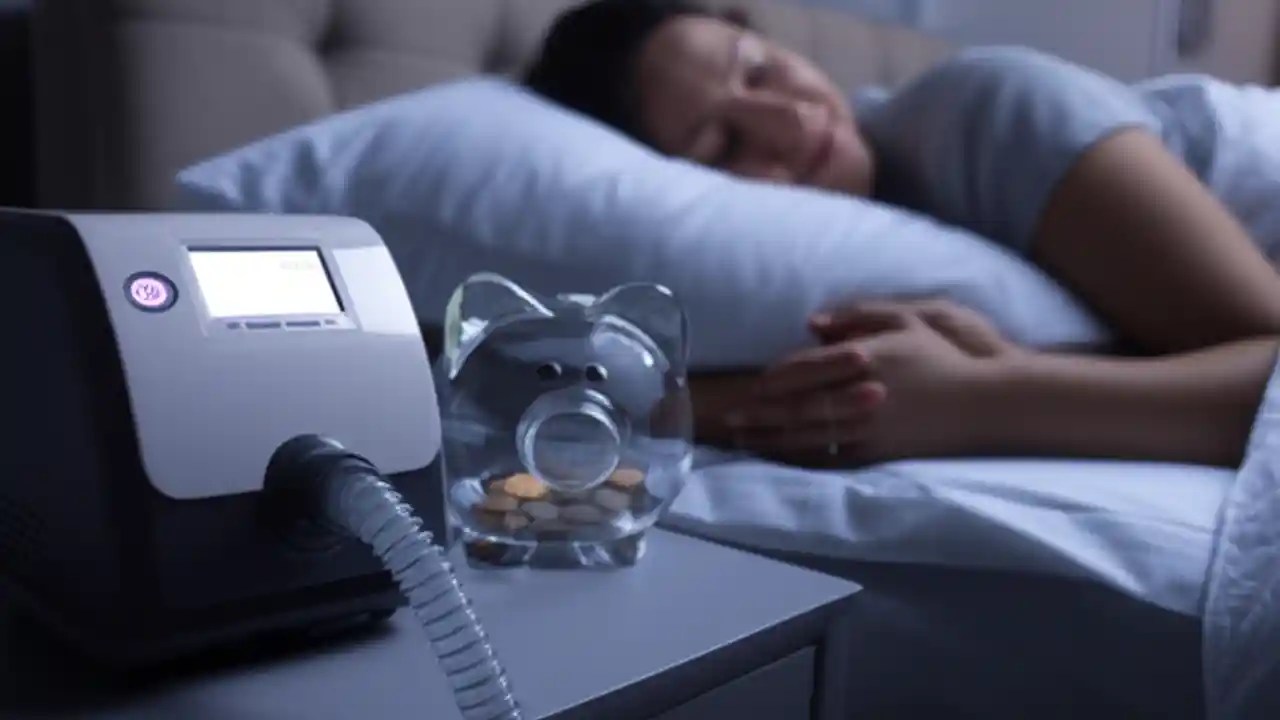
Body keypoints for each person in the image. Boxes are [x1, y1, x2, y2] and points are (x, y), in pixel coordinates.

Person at [524, 0, 1280, 469]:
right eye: (723, 145)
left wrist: (983, 399)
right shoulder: (827, 261)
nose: (788, 121)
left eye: (757, 72)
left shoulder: (988, 115)